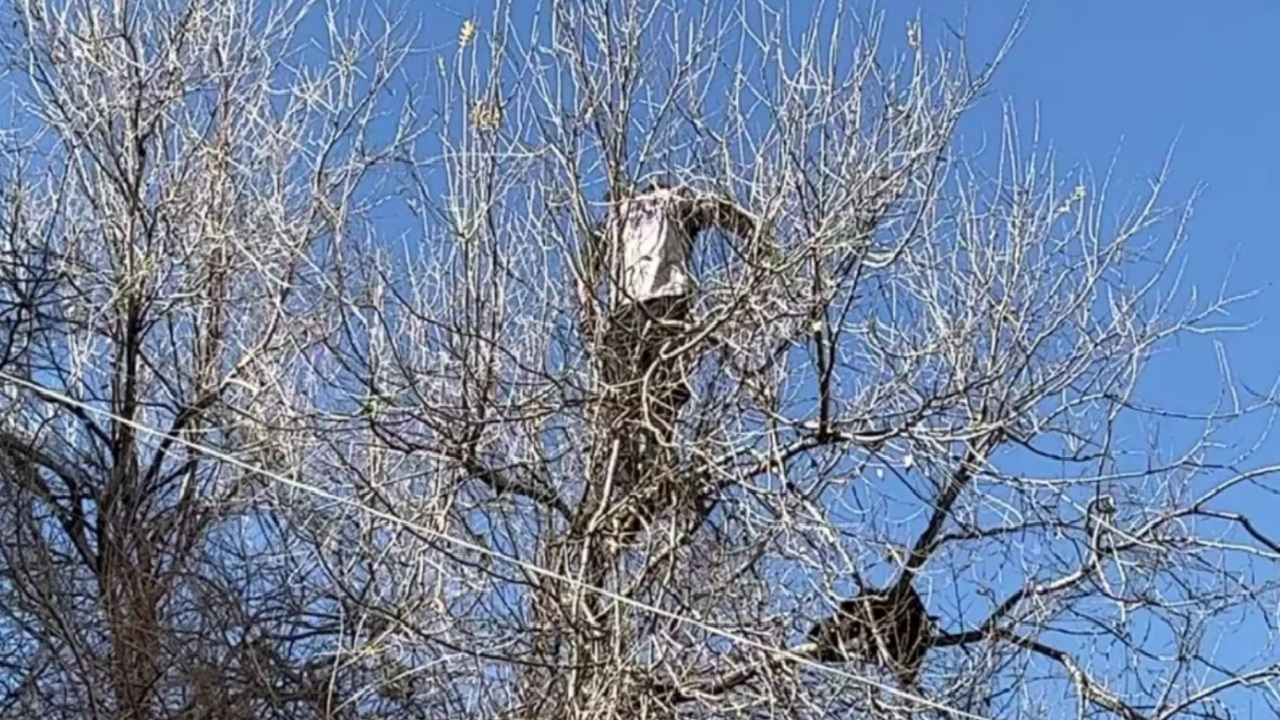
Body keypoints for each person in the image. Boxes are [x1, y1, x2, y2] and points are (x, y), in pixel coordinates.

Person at [595, 178, 760, 541]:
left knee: (626, 407)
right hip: (664, 303)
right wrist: (759, 243)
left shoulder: (620, 212)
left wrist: (589, 318)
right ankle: (647, 484)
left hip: (632, 309)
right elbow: (724, 212)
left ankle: (632, 489)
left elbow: (587, 268)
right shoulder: (671, 201)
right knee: (658, 399)